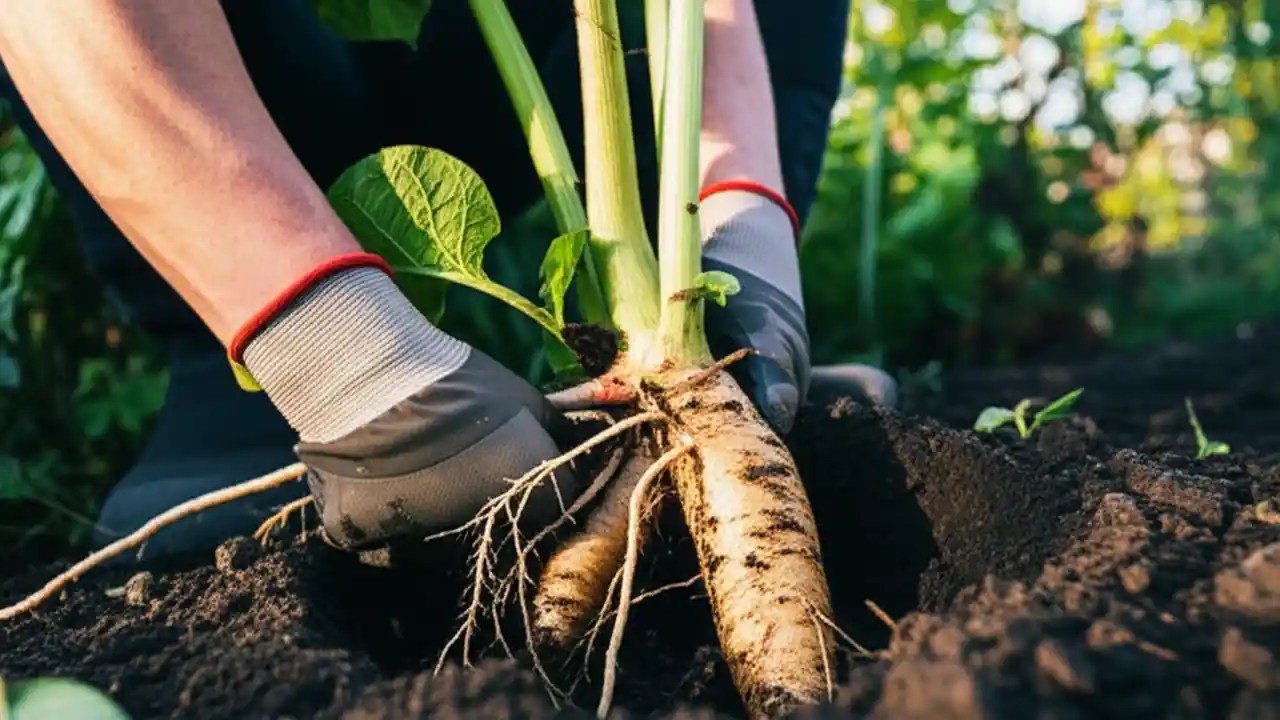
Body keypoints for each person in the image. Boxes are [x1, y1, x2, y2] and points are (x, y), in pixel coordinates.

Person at [0, 0, 897, 562]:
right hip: (245, 82)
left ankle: (742, 375)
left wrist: (742, 226)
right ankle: (246, 382)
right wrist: (333, 346)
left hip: (492, 64)